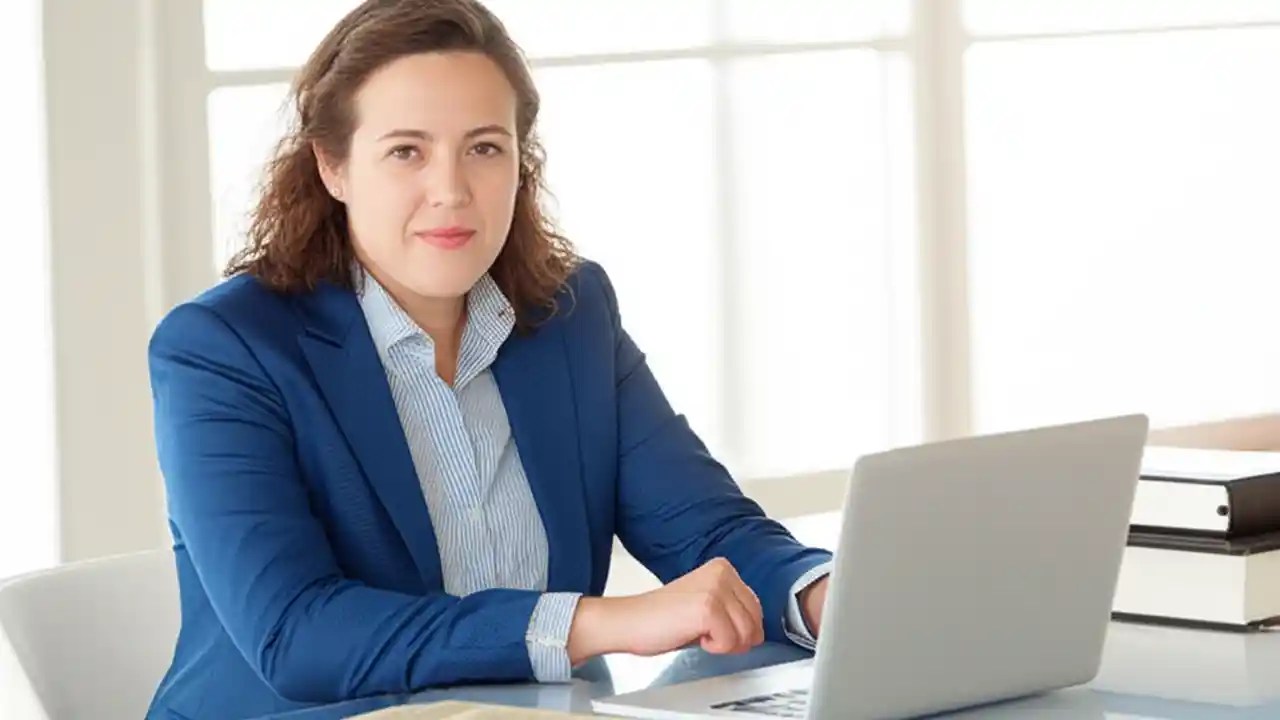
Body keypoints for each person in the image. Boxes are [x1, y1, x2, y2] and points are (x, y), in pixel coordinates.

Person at [146, 1, 833, 718]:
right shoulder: (224, 350)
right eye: (406, 151)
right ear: (333, 165)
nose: (451, 191)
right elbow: (299, 634)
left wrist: (823, 597)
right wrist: (596, 622)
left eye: (483, 147)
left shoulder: (571, 316)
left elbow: (707, 532)